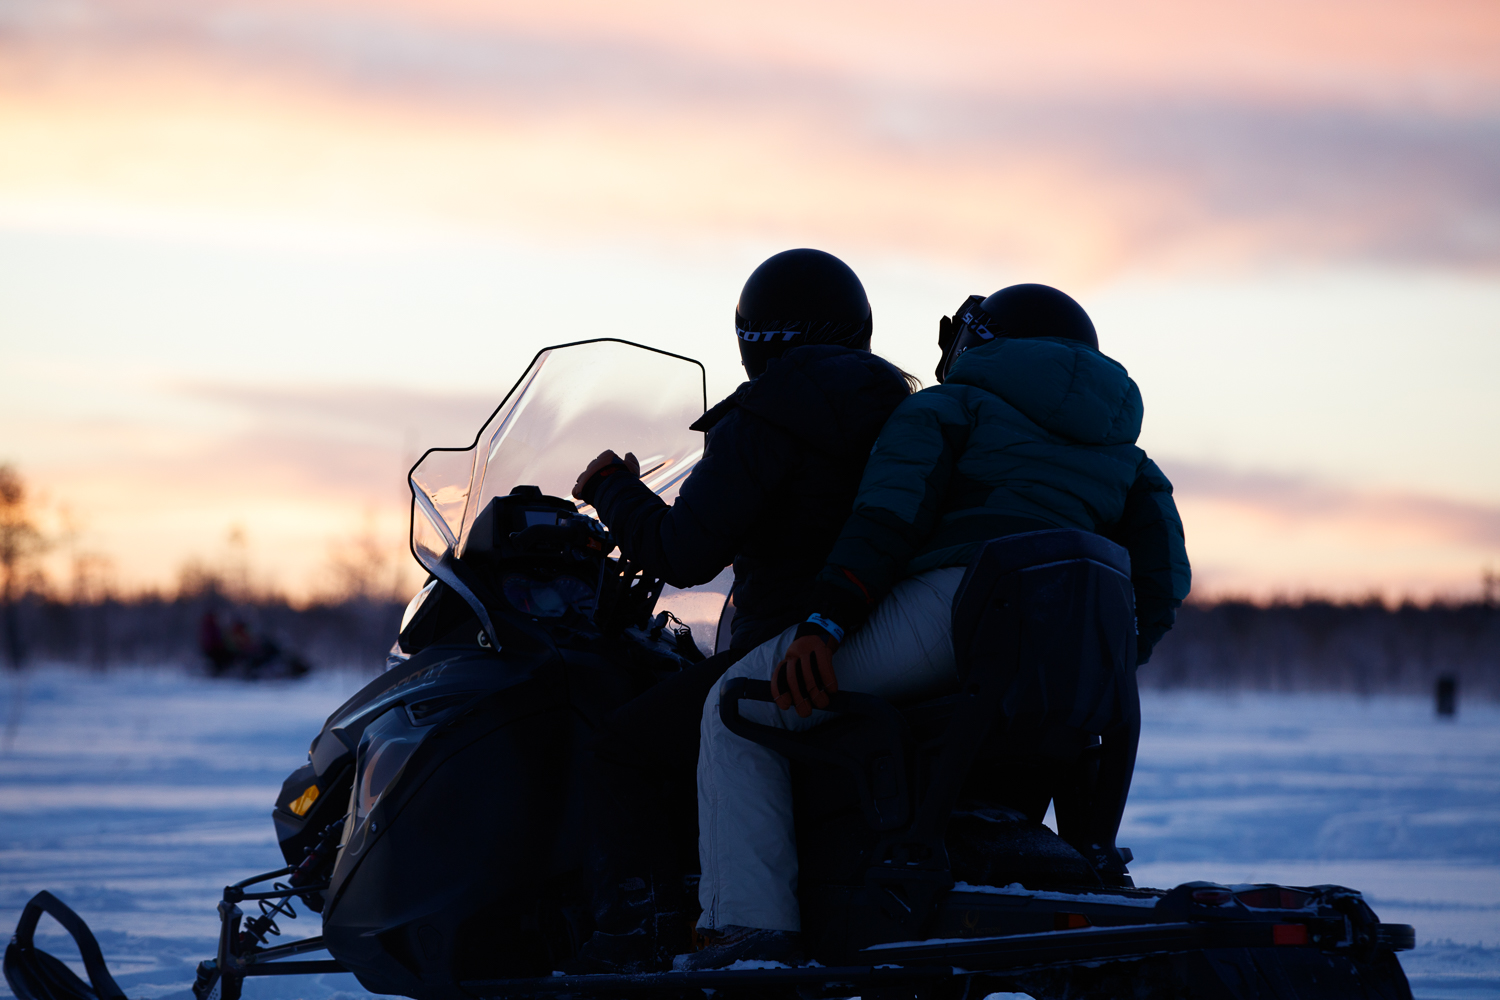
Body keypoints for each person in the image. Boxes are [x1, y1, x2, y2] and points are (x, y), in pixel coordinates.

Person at [682, 283, 1191, 970]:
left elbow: (886, 518)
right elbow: (1162, 584)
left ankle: (747, 929)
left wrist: (823, 624)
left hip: (957, 609)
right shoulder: (1130, 461)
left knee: (741, 704)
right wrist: (1100, 657)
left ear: (978, 340)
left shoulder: (951, 406)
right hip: (1060, 640)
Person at [568, 248, 914, 971]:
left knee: (621, 746)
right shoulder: (902, 408)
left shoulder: (769, 412)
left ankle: (635, 937)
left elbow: (683, 551)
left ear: (755, 337)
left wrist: (610, 489)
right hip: (877, 629)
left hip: (792, 639)